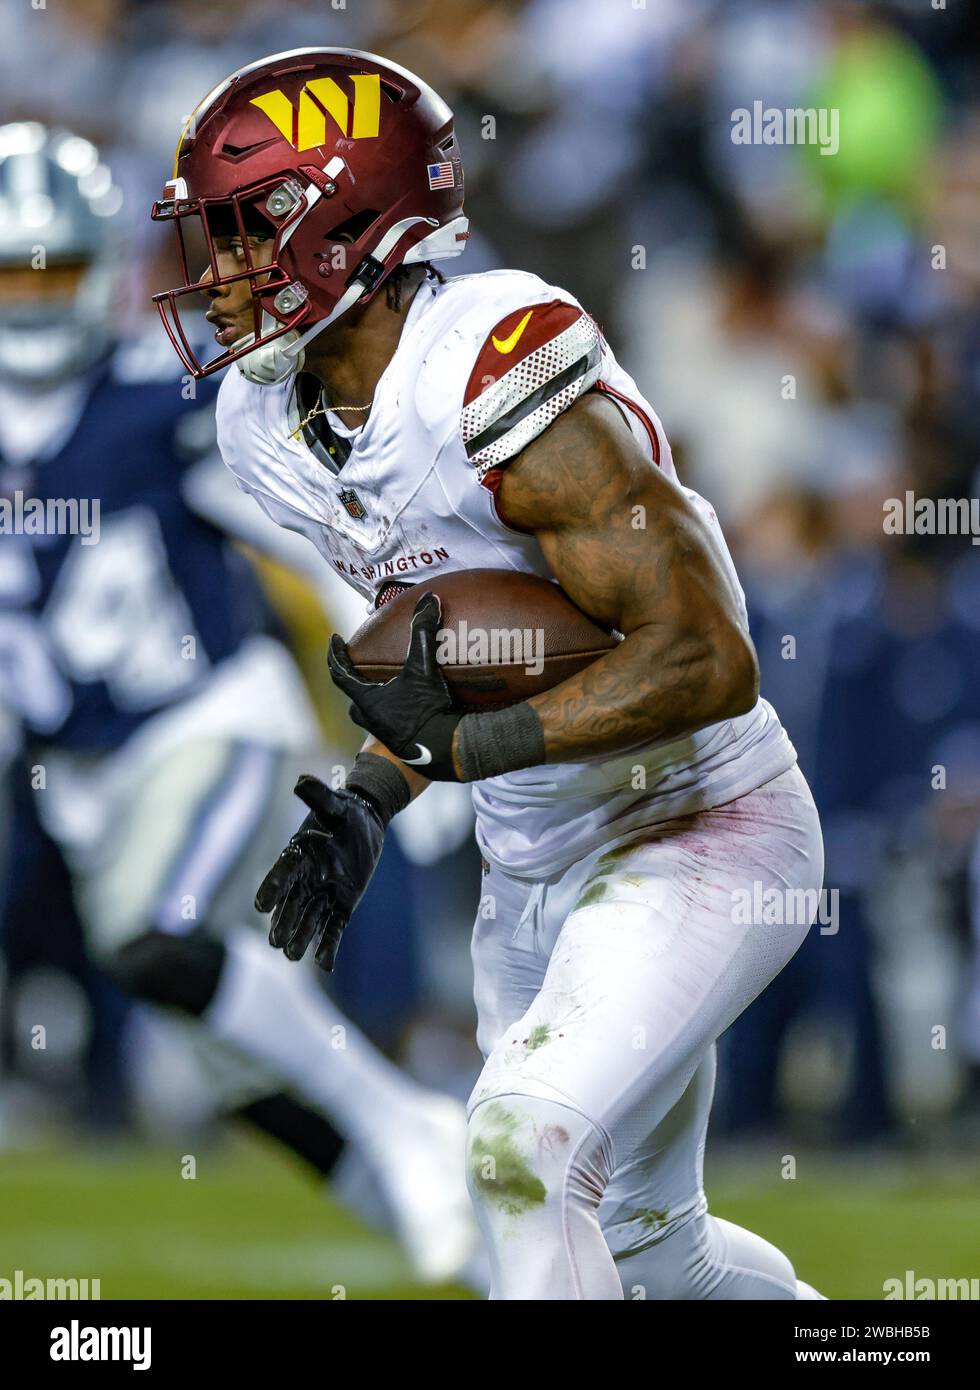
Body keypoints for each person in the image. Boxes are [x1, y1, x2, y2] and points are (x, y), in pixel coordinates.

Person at [152, 48, 827, 1300]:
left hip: (696, 815)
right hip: (532, 852)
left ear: (343, 224)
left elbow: (705, 657)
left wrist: (459, 757)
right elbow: (445, 660)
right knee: (648, 1253)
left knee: (525, 1142)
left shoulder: (489, 360)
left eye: (246, 230)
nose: (216, 272)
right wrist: (367, 794)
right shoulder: (262, 427)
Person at [0, 120, 478, 1286]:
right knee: (228, 1056)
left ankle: (407, 1118)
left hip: (205, 721)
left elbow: (305, 540)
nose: (32, 298)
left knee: (160, 941)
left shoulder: (147, 403)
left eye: (52, 270)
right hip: (80, 770)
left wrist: (413, 683)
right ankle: (481, 1258)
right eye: (14, 273)